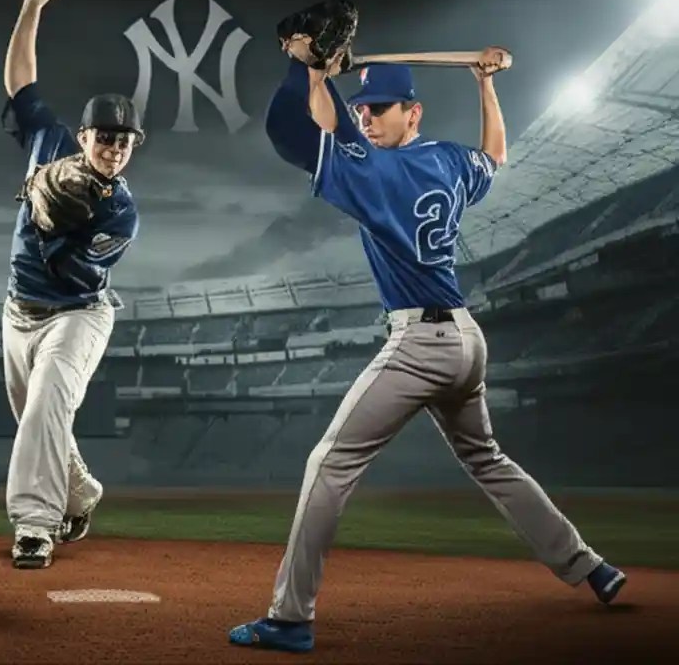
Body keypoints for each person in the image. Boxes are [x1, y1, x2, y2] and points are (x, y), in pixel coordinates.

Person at [227, 40, 626, 652]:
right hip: (467, 341)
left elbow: (309, 126)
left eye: (380, 108)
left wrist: (313, 68)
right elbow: (496, 153)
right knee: (489, 461)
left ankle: (290, 618)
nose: (366, 116)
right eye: (363, 108)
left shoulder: (368, 171)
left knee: (329, 464)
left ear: (413, 112)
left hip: (420, 343)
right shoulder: (449, 163)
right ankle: (590, 566)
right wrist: (484, 84)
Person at [0, 0, 142, 569]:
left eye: (123, 141)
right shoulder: (47, 141)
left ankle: (35, 526)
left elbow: (71, 270)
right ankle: (80, 492)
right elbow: (19, 84)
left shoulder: (122, 213)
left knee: (47, 402)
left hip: (77, 313)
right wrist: (32, 4)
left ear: (134, 146)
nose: (112, 149)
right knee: (35, 418)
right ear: (81, 136)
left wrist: (52, 217)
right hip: (16, 310)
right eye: (103, 137)